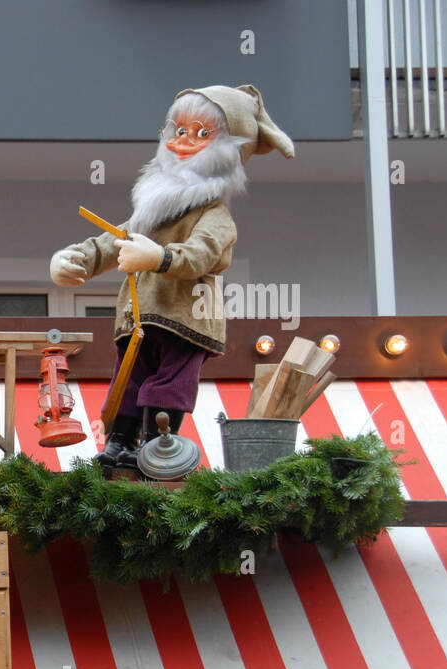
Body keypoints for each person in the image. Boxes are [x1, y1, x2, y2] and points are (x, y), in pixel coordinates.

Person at [50, 84, 294, 468]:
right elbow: (113, 240)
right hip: (138, 317)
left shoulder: (214, 216)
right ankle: (118, 442)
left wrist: (158, 257)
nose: (183, 143)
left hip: (186, 320)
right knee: (128, 381)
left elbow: (200, 255)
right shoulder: (152, 213)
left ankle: (157, 445)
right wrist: (76, 259)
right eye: (178, 131)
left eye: (201, 134)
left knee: (168, 384)